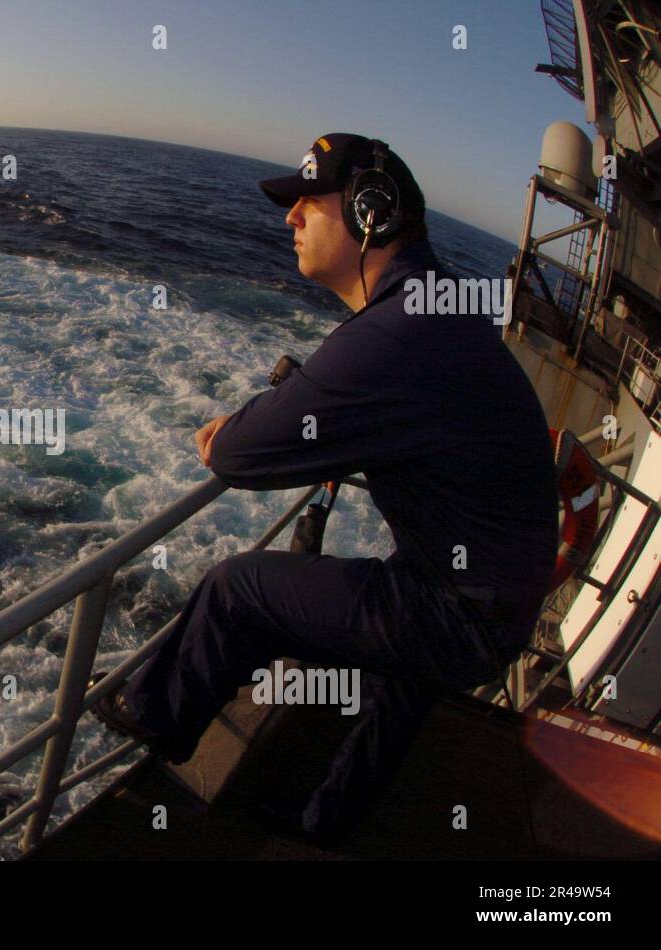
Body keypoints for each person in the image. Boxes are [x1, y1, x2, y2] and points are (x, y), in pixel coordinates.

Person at [92, 133, 560, 843]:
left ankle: (145, 736)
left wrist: (236, 428)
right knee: (405, 684)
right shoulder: (436, 310)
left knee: (236, 589)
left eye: (309, 203)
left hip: (461, 610)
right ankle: (324, 824)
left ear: (371, 212)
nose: (290, 218)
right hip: (498, 598)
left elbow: (242, 456)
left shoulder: (402, 331)